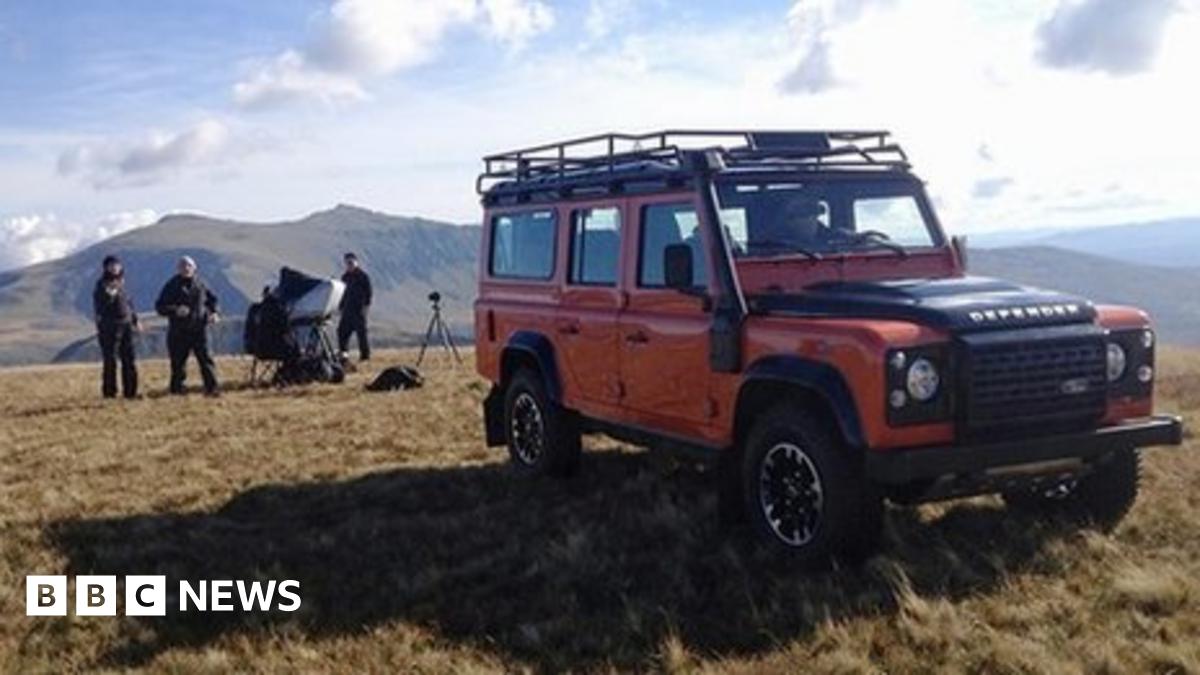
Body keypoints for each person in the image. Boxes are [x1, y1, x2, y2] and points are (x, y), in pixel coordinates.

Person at [155, 255, 221, 396]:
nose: (186, 268)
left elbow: (213, 300)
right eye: (183, 266)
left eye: (189, 266)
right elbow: (160, 306)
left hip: (200, 329)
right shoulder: (171, 285)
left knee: (206, 360)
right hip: (179, 331)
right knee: (178, 364)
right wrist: (175, 310)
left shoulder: (201, 284)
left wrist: (214, 313)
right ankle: (177, 391)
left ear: (194, 268)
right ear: (178, 269)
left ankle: (212, 389)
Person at [93, 255, 140, 399]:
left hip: (126, 325)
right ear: (106, 268)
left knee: (129, 359)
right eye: (111, 265)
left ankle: (130, 392)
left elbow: (129, 303)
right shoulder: (101, 285)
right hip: (109, 327)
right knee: (110, 361)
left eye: (117, 265)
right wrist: (110, 295)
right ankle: (109, 393)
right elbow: (99, 307)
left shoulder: (122, 283)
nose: (114, 267)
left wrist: (135, 320)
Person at [338, 252, 372, 361]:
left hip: (359, 311)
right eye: (347, 263)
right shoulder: (344, 278)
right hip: (347, 311)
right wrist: (340, 307)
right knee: (341, 332)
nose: (349, 265)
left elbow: (369, 292)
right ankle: (344, 354)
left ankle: (365, 356)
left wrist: (366, 306)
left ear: (356, 262)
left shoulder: (363, 277)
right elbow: (341, 294)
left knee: (361, 335)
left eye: (351, 262)